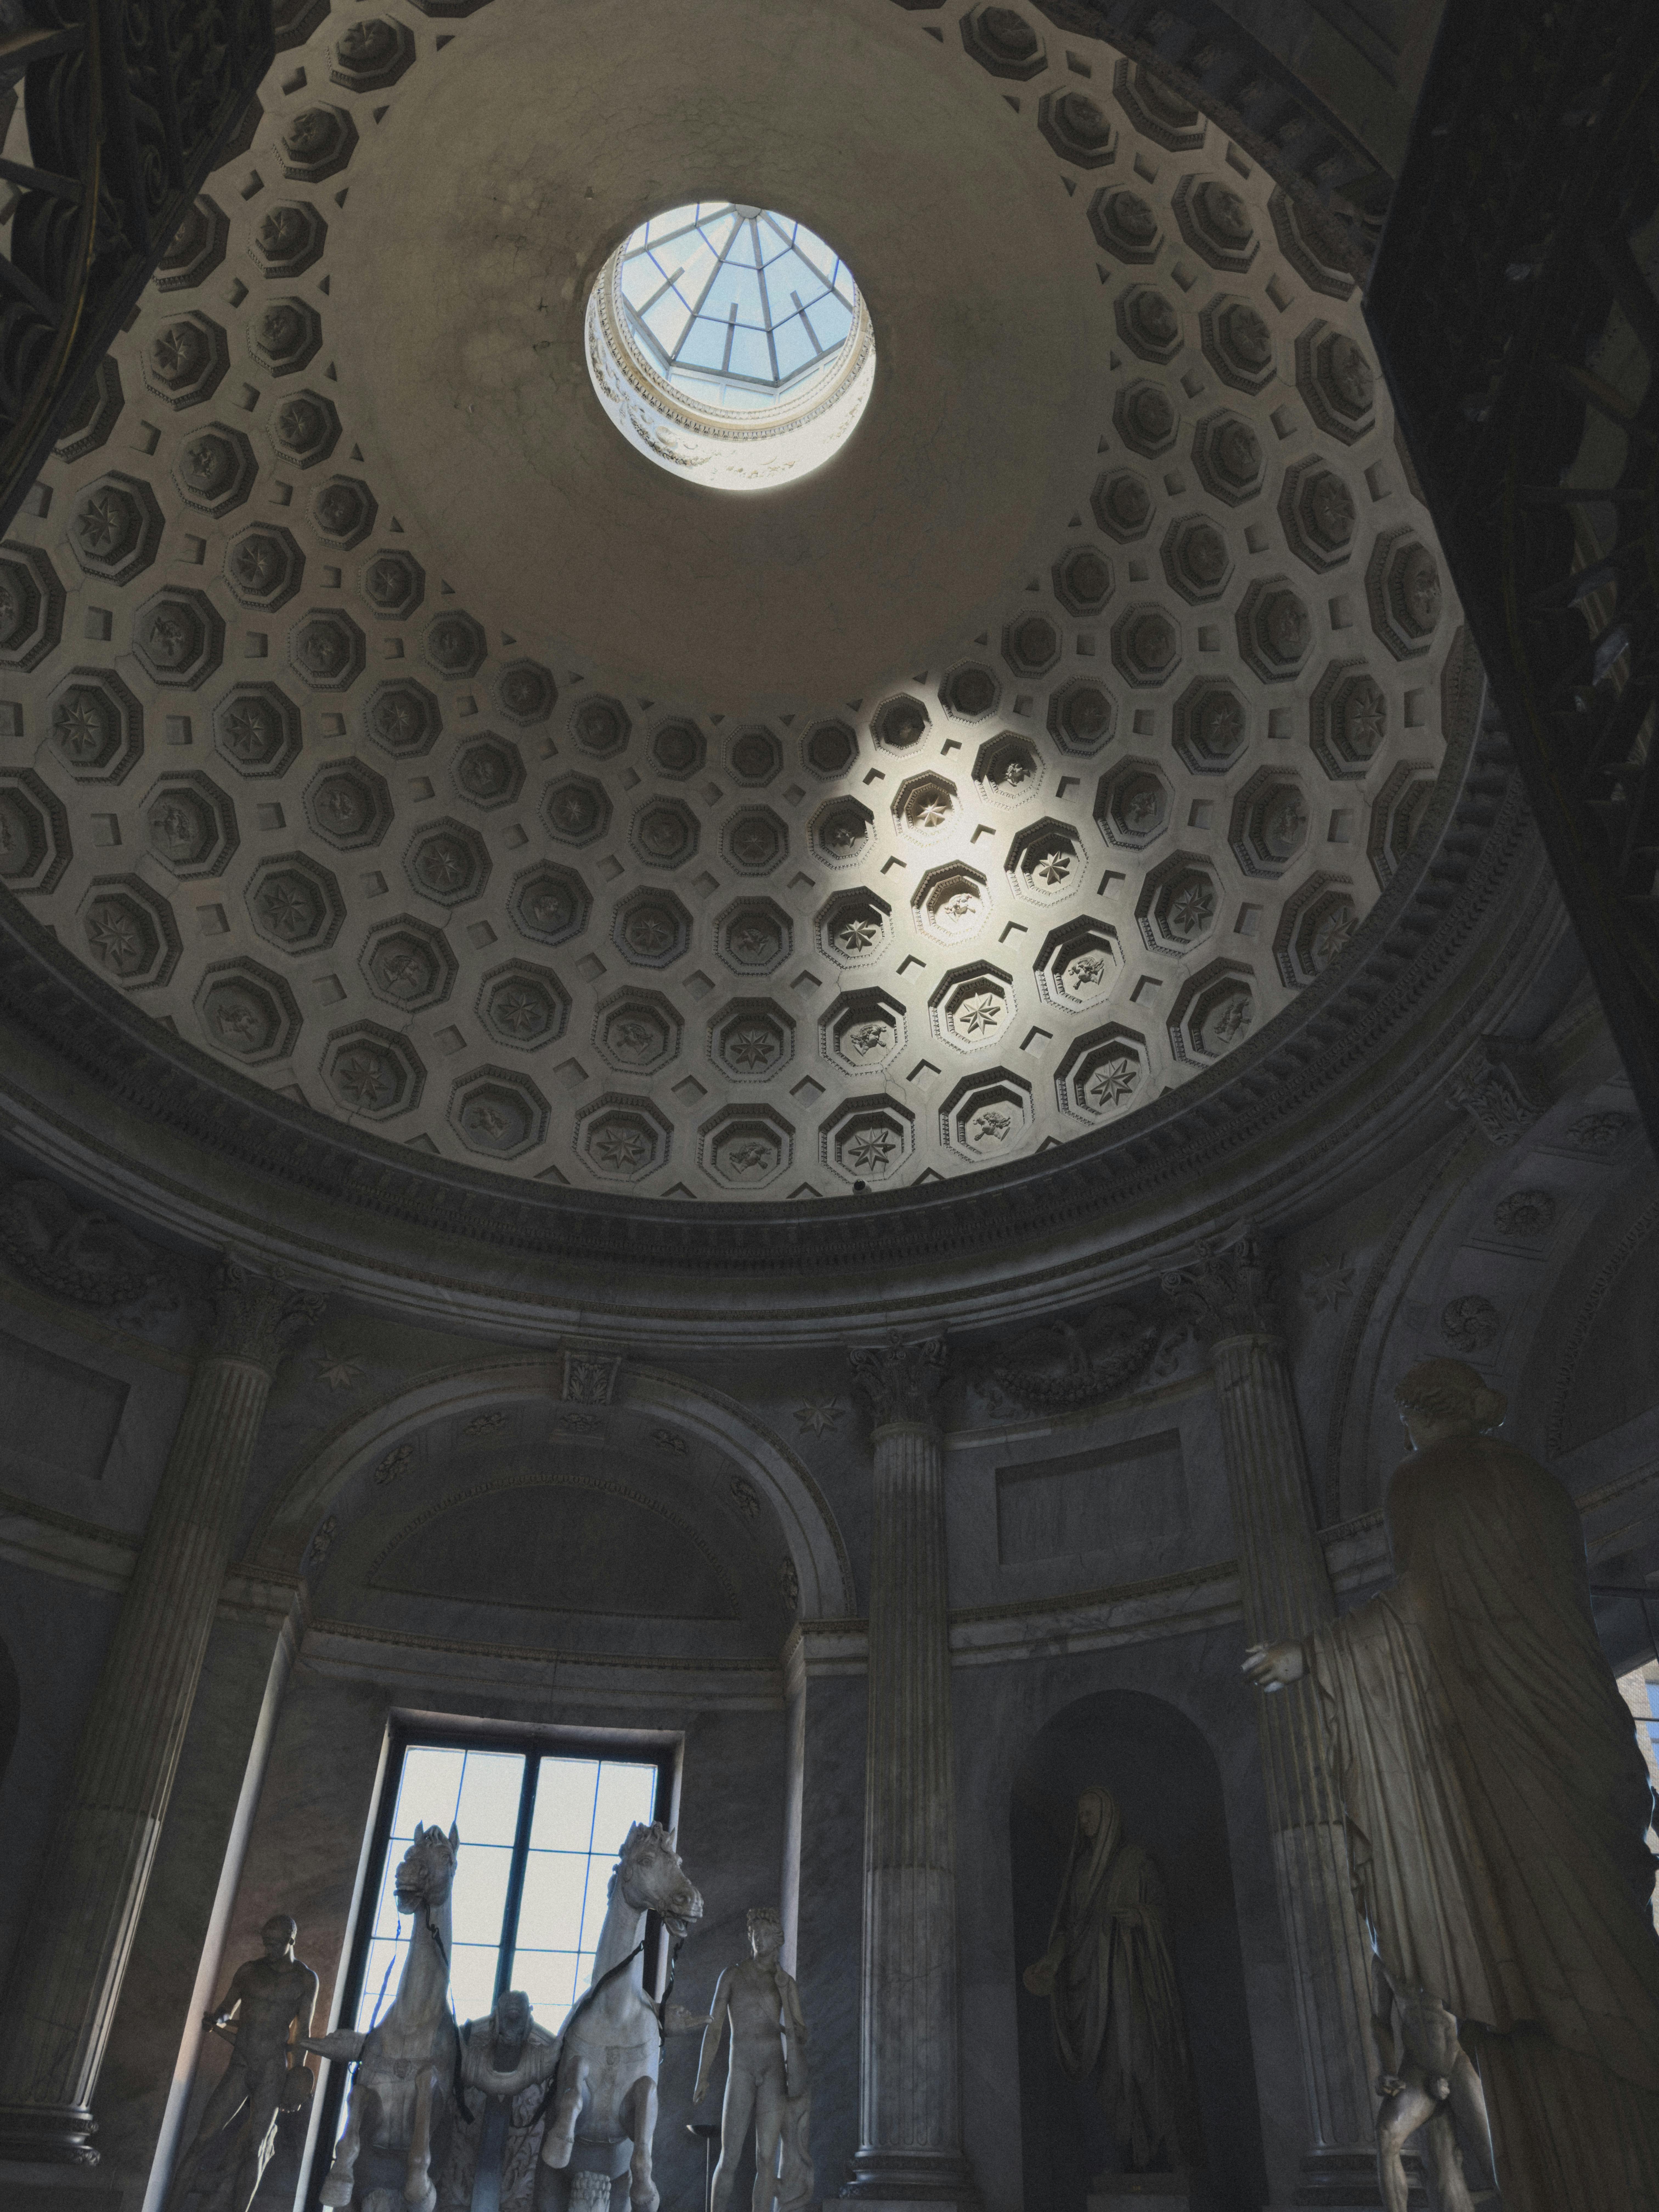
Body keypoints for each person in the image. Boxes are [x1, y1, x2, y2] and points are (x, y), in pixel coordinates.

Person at [1245, 1356, 1659, 2211]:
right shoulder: (1533, 1482)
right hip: (1579, 1731)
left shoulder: (1429, 1483)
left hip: (1510, 1753)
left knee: (1544, 1961)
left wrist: (1311, 1656)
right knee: (1593, 1947)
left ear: (1416, 1418)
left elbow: (1426, 1605)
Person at [1021, 1787, 1203, 2175]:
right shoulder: (1081, 1871)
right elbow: (1071, 1930)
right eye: (1081, 1815)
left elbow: (1164, 1918)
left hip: (1133, 1983)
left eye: (1090, 1814)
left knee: (1142, 2061)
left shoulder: (1136, 1863)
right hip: (1095, 1996)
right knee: (1110, 2081)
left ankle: (1170, 2155)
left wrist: (1142, 1919)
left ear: (1109, 1817)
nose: (1083, 1823)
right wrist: (1051, 1963)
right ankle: (1131, 2161)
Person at [169, 1914, 318, 2212]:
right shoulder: (249, 1971)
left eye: (275, 1944)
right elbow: (227, 2008)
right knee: (203, 2139)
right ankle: (170, 2206)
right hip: (241, 2065)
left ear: (291, 1940)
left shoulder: (305, 1979)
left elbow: (302, 2033)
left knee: (255, 2149)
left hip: (272, 2071)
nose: (269, 1949)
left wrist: (294, 2077)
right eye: (266, 1943)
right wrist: (218, 2019)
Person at [693, 1908, 812, 2212]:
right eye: (755, 1934)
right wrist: (702, 2075)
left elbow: (801, 2034)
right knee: (729, 2157)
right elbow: (715, 2028)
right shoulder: (733, 1975)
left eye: (765, 1934)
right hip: (742, 2070)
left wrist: (791, 2018)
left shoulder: (786, 1983)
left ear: (778, 1940)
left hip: (773, 2072)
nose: (759, 1939)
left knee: (766, 2159)